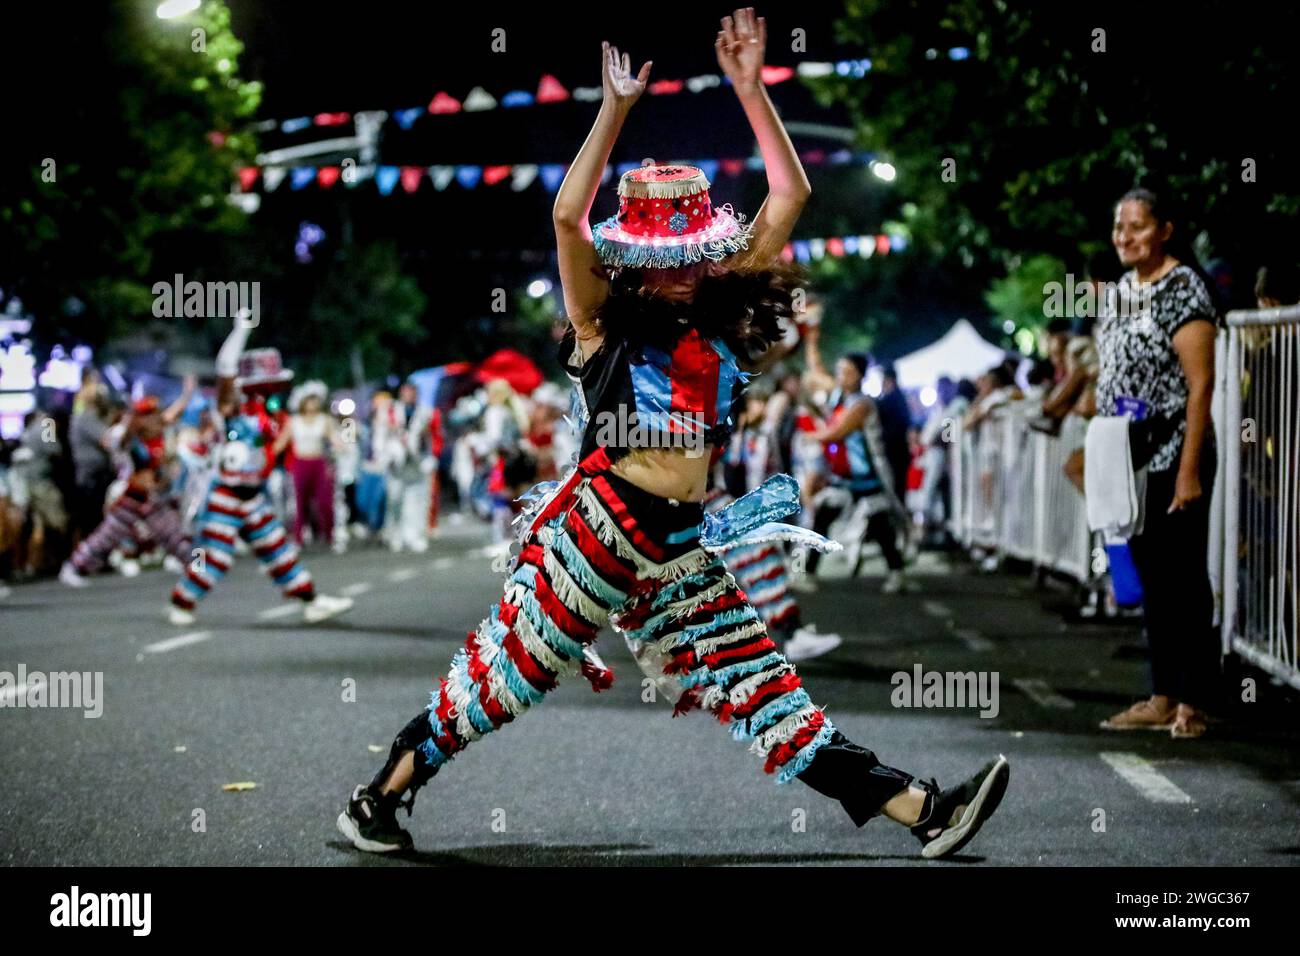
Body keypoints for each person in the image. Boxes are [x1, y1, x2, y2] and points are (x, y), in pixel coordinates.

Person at [337, 9, 1008, 859]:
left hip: (680, 548)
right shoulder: (599, 324)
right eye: (669, 258)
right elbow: (567, 221)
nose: (688, 269)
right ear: (640, 265)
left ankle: (923, 811)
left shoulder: (723, 323)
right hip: (592, 535)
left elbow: (792, 195)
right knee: (498, 690)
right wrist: (612, 111)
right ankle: (378, 800)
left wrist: (751, 92)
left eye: (696, 252)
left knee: (768, 693)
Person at [1095, 187, 1219, 739]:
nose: (1125, 236)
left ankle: (1196, 700)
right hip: (1127, 457)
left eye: (1138, 226)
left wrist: (1189, 470)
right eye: (1120, 227)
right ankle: (1162, 694)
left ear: (1165, 229)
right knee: (1150, 576)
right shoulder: (1122, 290)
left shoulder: (1183, 287)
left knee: (1184, 577)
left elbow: (1201, 384)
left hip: (1174, 450)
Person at [167, 324, 354, 626]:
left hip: (253, 497)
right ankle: (182, 602)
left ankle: (311, 600)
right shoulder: (232, 408)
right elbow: (225, 367)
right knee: (215, 556)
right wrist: (240, 330)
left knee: (278, 548)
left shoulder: (270, 416)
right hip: (225, 495)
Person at [801, 334, 910, 594]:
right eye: (840, 371)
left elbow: (836, 433)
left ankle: (897, 572)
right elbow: (816, 372)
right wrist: (811, 338)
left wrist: (810, 435)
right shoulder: (839, 396)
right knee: (823, 517)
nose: (842, 376)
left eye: (848, 372)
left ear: (861, 376)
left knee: (882, 525)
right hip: (845, 477)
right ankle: (807, 573)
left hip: (870, 476)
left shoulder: (862, 404)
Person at [60, 383, 195, 587]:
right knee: (106, 536)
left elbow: (170, 416)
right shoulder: (127, 438)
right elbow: (115, 445)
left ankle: (199, 568)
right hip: (131, 496)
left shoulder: (156, 437)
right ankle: (73, 567)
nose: (156, 417)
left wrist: (186, 393)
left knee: (174, 534)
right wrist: (130, 420)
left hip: (152, 499)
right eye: (149, 414)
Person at [278, 381, 339, 550]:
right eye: (310, 400)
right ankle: (297, 538)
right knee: (299, 503)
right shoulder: (293, 421)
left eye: (316, 400)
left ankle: (329, 535)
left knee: (325, 502)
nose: (313, 404)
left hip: (319, 463)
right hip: (301, 463)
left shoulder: (325, 420)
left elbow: (337, 440)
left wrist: (347, 437)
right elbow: (280, 443)